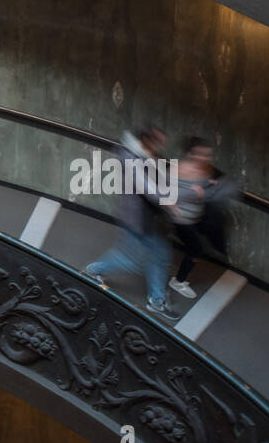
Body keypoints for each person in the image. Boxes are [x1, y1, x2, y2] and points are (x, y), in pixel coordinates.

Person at [84, 124, 181, 320]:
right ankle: (95, 270)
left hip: (145, 218)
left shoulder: (145, 156)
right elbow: (146, 187)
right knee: (133, 259)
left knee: (158, 255)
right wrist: (169, 203)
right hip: (138, 219)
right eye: (159, 142)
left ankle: (156, 298)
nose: (162, 145)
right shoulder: (132, 159)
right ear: (147, 141)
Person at [166, 138, 235, 299]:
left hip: (197, 216)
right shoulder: (177, 170)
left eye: (208, 155)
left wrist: (208, 185)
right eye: (201, 155)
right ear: (191, 154)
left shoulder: (206, 169)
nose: (206, 159)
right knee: (196, 250)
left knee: (211, 234)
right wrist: (193, 193)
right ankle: (178, 281)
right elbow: (164, 193)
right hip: (182, 220)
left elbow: (216, 186)